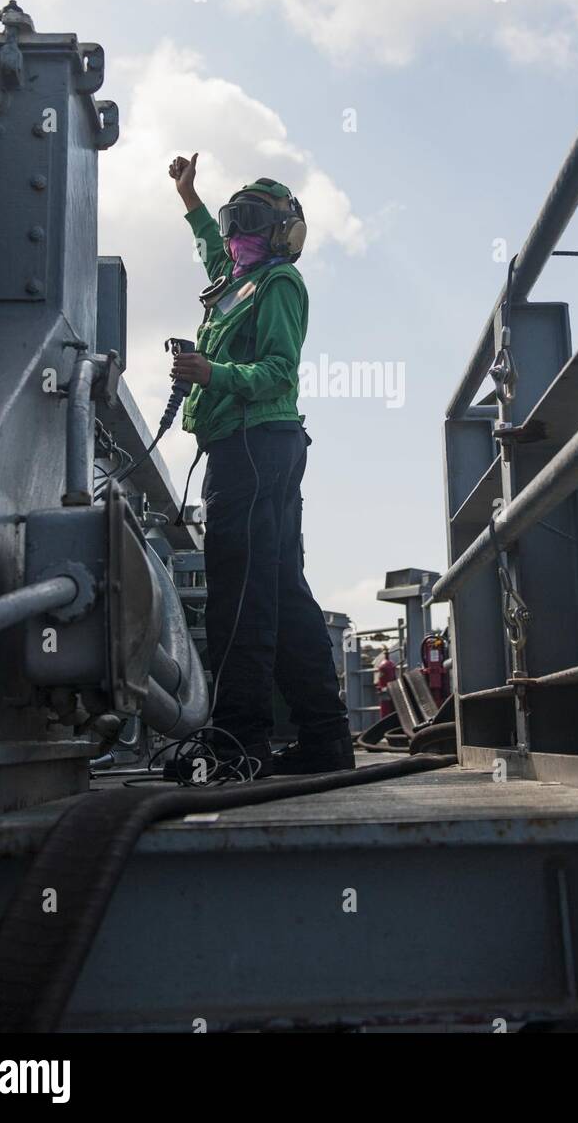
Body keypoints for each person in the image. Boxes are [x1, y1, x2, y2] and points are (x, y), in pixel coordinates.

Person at [168, 152, 354, 778]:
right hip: (257, 448)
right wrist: (190, 198)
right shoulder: (235, 278)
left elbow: (280, 370)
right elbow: (211, 254)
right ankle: (327, 740)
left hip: (254, 447)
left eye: (245, 221)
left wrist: (211, 372)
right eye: (230, 219)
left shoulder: (279, 284)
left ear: (281, 233)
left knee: (240, 593)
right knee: (280, 590)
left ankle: (237, 743)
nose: (232, 233)